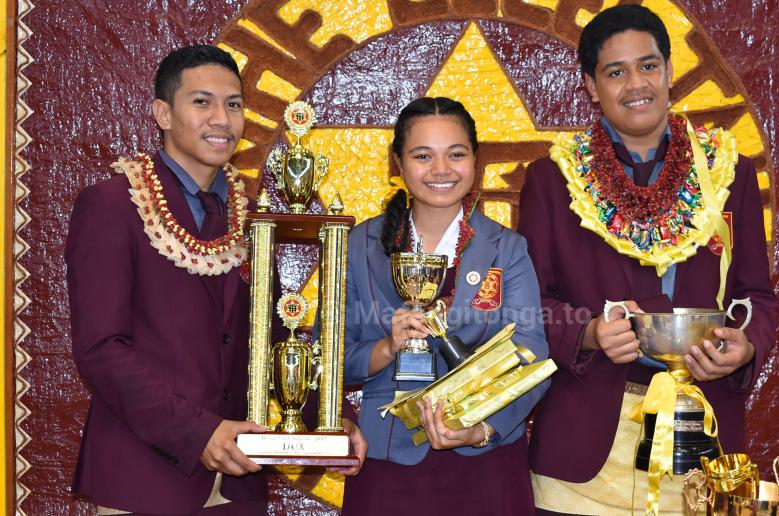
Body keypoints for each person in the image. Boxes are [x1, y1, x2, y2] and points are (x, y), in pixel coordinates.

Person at [66, 44, 366, 515]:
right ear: (163, 113)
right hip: (144, 478)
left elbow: (266, 341)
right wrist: (198, 432)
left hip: (237, 481)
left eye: (234, 104)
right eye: (201, 102)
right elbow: (101, 350)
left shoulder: (248, 213)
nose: (222, 119)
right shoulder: (112, 205)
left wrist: (329, 422)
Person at [518, 5, 778, 515]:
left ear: (669, 71)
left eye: (648, 66)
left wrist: (745, 346)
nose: (636, 84)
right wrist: (588, 332)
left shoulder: (727, 172)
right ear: (591, 86)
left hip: (704, 443)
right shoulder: (552, 180)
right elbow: (529, 307)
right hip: (582, 455)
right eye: (615, 72)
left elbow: (756, 296)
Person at [341, 97, 550, 515]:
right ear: (397, 163)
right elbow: (333, 357)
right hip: (387, 458)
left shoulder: (506, 249)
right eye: (423, 156)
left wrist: (481, 429)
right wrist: (387, 347)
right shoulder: (358, 245)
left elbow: (532, 357)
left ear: (476, 160)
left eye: (456, 154)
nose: (441, 170)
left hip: (485, 462)